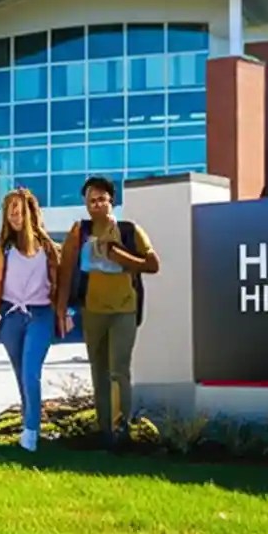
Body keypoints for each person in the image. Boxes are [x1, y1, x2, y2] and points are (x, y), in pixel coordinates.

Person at [57, 176, 160, 447]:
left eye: (102, 199)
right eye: (92, 200)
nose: (97, 204)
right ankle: (104, 431)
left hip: (124, 309)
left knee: (119, 370)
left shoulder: (129, 230)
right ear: (86, 204)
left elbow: (152, 264)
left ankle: (121, 430)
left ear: (111, 201)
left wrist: (120, 256)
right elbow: (65, 271)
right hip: (92, 311)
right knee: (98, 371)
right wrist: (61, 310)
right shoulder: (79, 232)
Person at [0, 188, 64, 452]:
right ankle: (29, 423)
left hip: (40, 315)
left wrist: (63, 314)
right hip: (10, 317)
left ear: (30, 211)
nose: (15, 215)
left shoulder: (47, 248)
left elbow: (58, 284)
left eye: (19, 209)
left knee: (31, 373)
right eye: (10, 211)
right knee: (20, 374)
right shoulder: (3, 248)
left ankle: (31, 432)